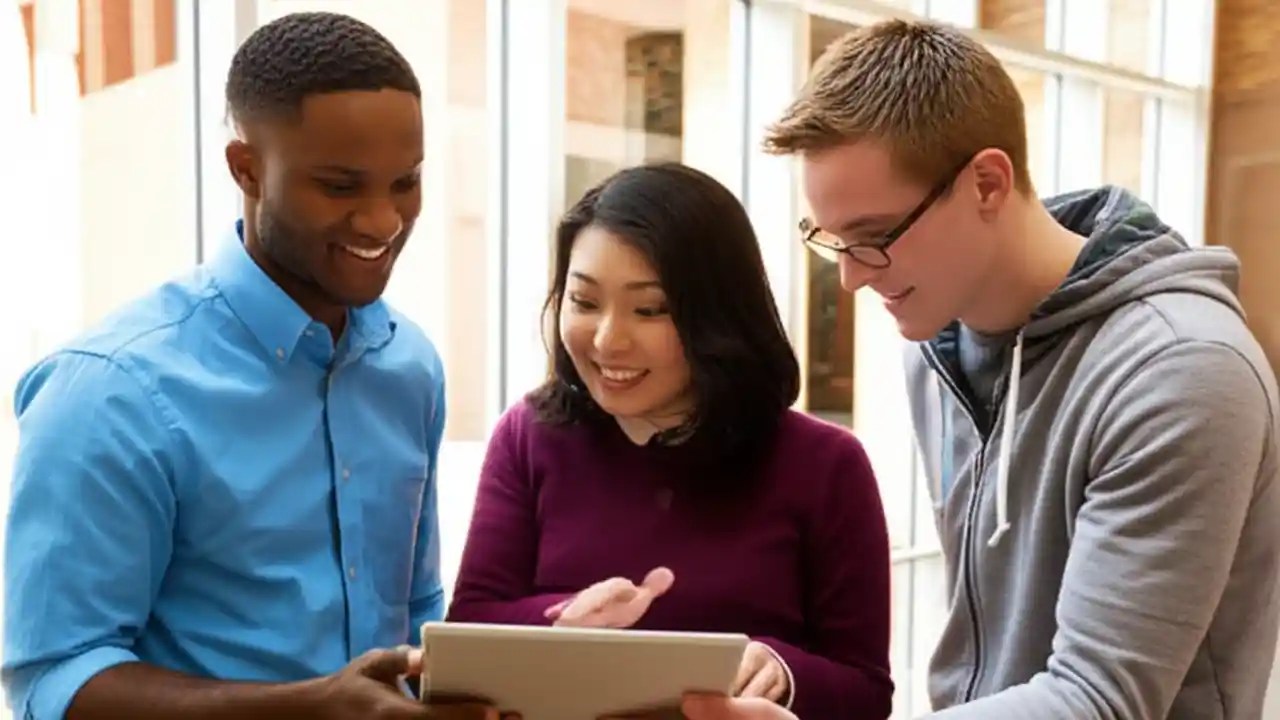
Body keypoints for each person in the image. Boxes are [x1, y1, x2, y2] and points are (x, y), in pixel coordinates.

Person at [694, 17, 1280, 720]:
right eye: (835, 241)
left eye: (876, 238)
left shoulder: (1182, 371)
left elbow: (1101, 700)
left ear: (988, 183)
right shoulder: (937, 348)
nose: (850, 279)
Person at [3, 12, 495, 720]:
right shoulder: (110, 391)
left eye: (405, 183)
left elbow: (416, 612)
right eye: (340, 186)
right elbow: (55, 682)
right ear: (246, 170)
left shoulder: (409, 367)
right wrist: (307, 708)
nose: (383, 220)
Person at [445, 163, 894, 719]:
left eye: (650, 310)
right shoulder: (529, 437)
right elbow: (468, 630)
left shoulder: (826, 465)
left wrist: (782, 671)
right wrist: (563, 620)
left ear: (717, 314)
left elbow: (868, 695)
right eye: (584, 302)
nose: (609, 340)